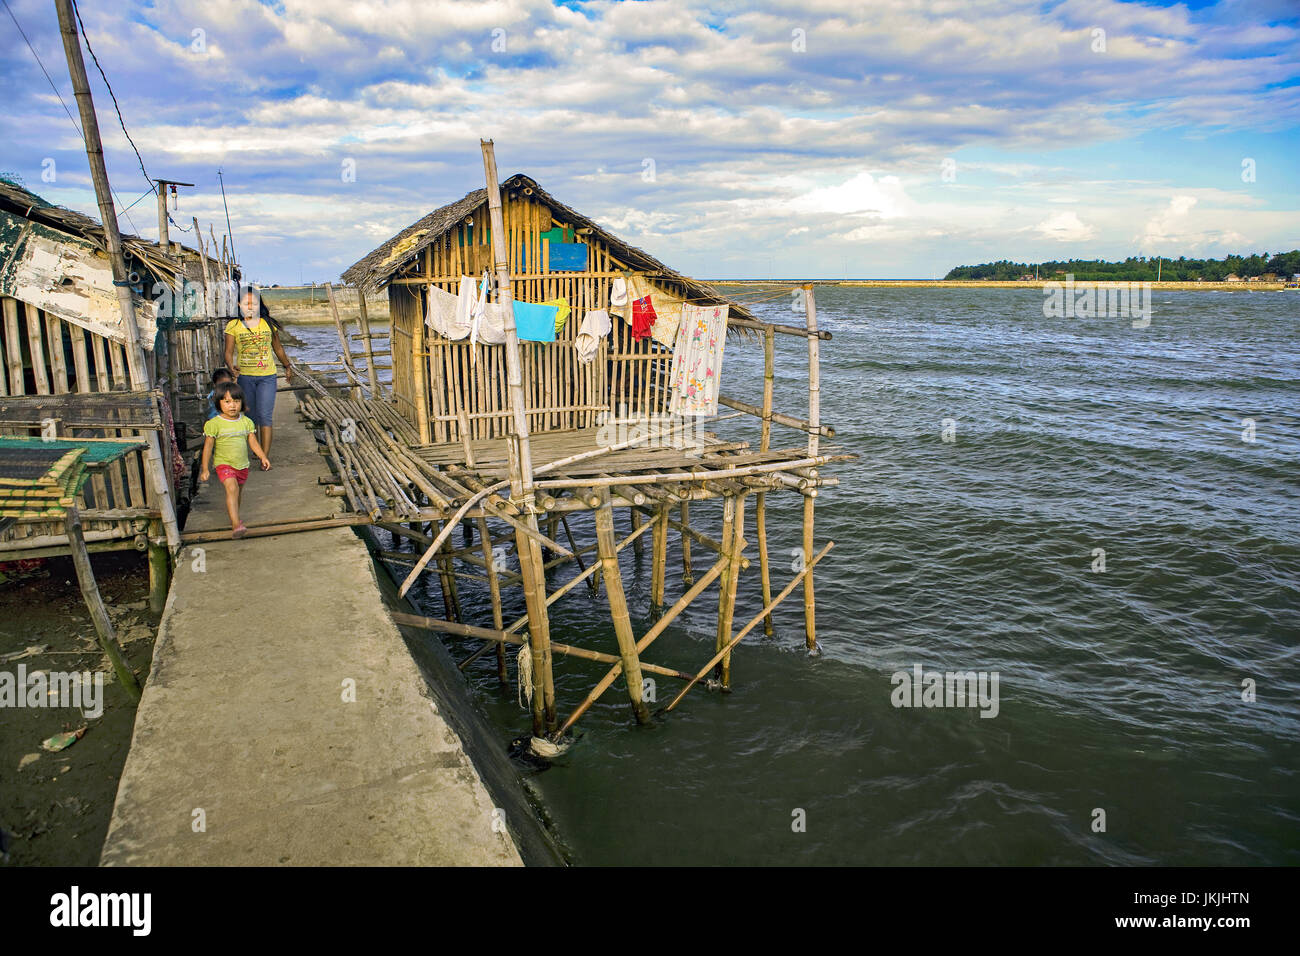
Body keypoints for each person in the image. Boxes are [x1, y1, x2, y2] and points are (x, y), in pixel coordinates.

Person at [225, 287, 293, 460]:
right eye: (246, 303)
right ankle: (256, 450)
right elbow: (228, 352)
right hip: (245, 378)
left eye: (254, 303)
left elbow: (277, 348)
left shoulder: (267, 323)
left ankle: (264, 455)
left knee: (265, 415)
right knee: (250, 415)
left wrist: (287, 366)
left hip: (267, 377)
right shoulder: (233, 326)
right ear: (239, 304)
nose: (250, 307)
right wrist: (231, 366)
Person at [199, 380, 271, 538]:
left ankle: (235, 517)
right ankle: (236, 524)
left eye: (236, 401)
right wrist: (205, 469)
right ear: (219, 404)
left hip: (242, 465)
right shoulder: (214, 424)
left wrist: (263, 457)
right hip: (224, 464)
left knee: (238, 492)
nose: (232, 406)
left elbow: (253, 442)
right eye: (227, 402)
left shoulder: (246, 422)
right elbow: (208, 448)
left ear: (242, 403)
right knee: (231, 489)